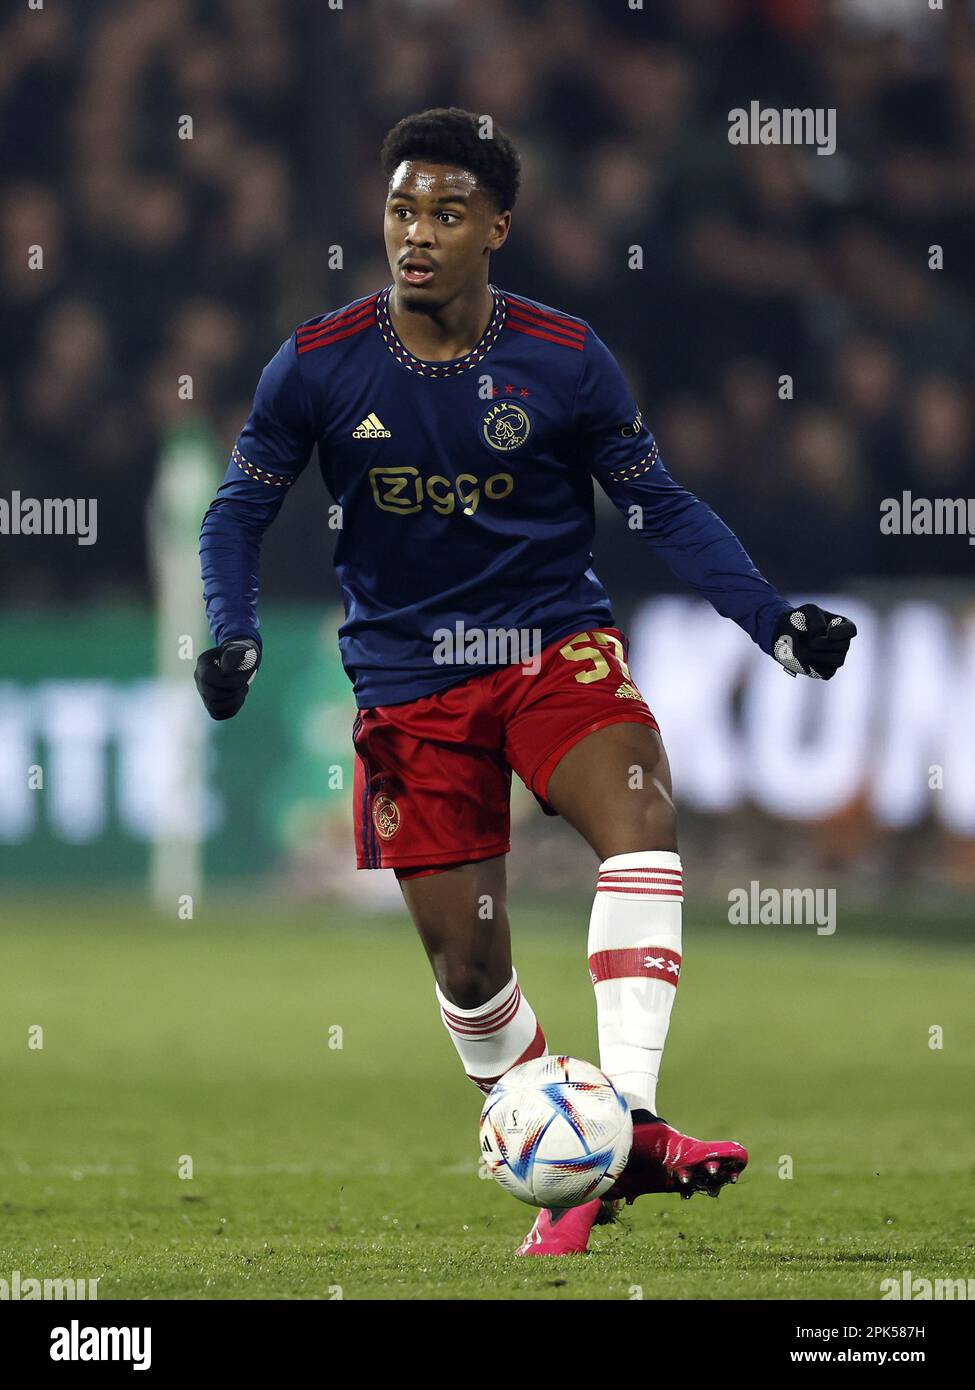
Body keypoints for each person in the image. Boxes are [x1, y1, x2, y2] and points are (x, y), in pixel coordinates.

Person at [197, 107, 857, 1256]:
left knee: (643, 820)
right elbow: (239, 507)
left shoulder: (563, 358)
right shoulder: (317, 362)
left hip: (551, 646)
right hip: (408, 679)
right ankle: (587, 1172)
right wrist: (230, 627)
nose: (418, 232)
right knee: (470, 967)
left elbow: (658, 503)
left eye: (448, 212)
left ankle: (633, 1122)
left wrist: (769, 617)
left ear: (497, 226)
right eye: (403, 208)